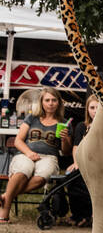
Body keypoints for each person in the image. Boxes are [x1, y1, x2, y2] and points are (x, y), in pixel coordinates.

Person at [0, 86, 72, 223]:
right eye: (47, 100)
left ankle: (5, 197)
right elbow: (18, 140)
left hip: (49, 157)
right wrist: (29, 152)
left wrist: (65, 138)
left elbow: (66, 151)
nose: (50, 103)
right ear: (42, 102)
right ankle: (5, 211)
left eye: (54, 100)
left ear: (59, 103)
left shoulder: (64, 122)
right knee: (22, 171)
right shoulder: (32, 117)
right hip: (26, 153)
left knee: (42, 176)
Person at [65, 94, 97, 227]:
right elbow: (76, 148)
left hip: (99, 165)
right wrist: (76, 163)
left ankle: (91, 214)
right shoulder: (81, 127)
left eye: (98, 108)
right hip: (83, 163)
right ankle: (79, 214)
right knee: (72, 179)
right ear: (87, 110)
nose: (95, 111)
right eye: (92, 107)